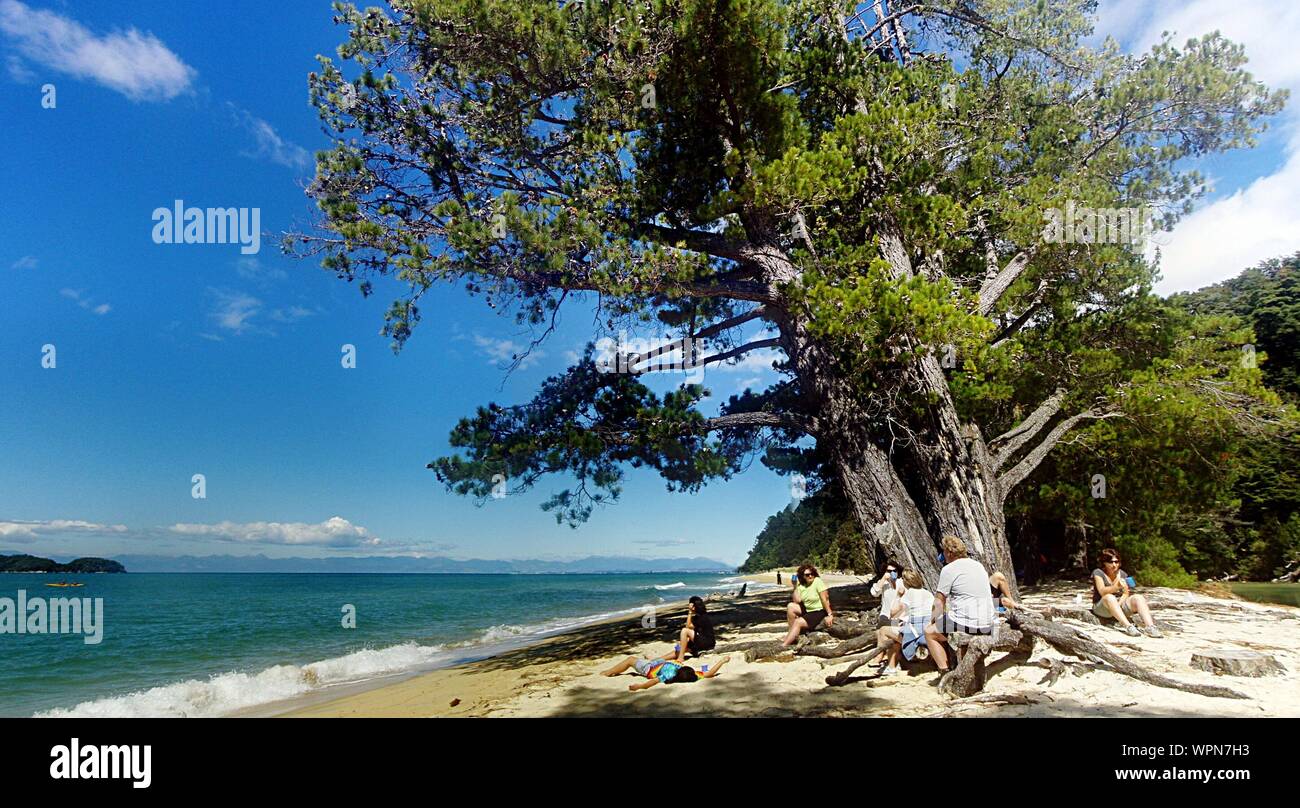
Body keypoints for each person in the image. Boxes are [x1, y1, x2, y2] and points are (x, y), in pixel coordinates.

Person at [924, 535, 997, 678]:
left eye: (944, 552)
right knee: (946, 623)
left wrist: (932, 620)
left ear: (949, 552)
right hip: (988, 620)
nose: (943, 555)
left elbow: (939, 601)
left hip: (967, 622)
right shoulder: (978, 565)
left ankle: (944, 671)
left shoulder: (949, 569)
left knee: (929, 632)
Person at [875, 569, 934, 675]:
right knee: (896, 629)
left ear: (906, 581)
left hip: (916, 634)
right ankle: (894, 661)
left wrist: (898, 595)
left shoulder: (909, 594)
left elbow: (892, 613)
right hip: (927, 630)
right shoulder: (928, 593)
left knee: (884, 630)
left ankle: (891, 666)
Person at [1092, 549, 1162, 637]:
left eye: (1116, 562)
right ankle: (1128, 626)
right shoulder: (1098, 573)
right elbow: (1102, 592)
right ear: (1104, 563)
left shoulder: (1122, 574)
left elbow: (1126, 593)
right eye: (1110, 562)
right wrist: (1116, 587)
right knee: (1109, 597)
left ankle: (1150, 627)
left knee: (1138, 597)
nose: (1114, 565)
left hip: (1118, 606)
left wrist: (1119, 604)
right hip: (1102, 607)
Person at [601, 654, 732, 691]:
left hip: (650, 668)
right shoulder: (693, 676)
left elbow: (652, 682)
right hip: (661, 663)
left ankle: (608, 672)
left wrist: (639, 686)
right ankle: (650, 657)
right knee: (672, 655)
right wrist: (722, 661)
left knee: (630, 660)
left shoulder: (669, 675)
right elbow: (710, 673)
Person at [783, 564, 834, 646]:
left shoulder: (817, 581)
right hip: (808, 610)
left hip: (819, 610)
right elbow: (797, 600)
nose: (810, 576)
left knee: (797, 622)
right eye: (807, 575)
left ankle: (785, 645)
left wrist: (830, 614)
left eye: (812, 574)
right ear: (803, 576)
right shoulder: (802, 585)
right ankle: (791, 635)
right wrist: (795, 586)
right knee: (790, 606)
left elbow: (825, 599)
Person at [670, 596, 715, 662]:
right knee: (680, 649)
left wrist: (690, 611)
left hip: (707, 643)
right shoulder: (698, 616)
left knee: (684, 631)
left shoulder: (703, 617)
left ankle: (681, 658)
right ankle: (659, 659)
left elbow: (687, 626)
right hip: (701, 641)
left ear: (694, 607)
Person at [870, 559, 903, 628]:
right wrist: (884, 578)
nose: (892, 573)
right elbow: (874, 593)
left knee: (894, 631)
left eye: (894, 571)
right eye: (889, 571)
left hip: (898, 617)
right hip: (885, 615)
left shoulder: (902, 582)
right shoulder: (883, 583)